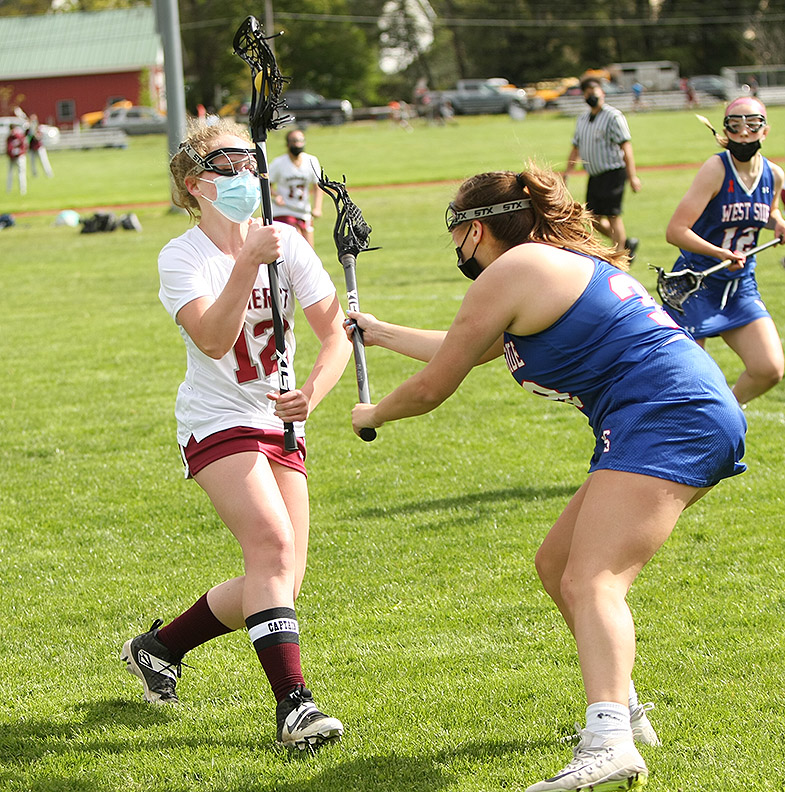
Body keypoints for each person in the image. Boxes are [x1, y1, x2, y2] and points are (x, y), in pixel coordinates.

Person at [347, 163, 747, 792]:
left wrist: (371, 413)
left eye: (455, 232)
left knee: (593, 579)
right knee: (556, 563)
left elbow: (432, 388)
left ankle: (610, 738)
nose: (456, 249)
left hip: (669, 415)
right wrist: (378, 333)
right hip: (671, 411)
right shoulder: (540, 268)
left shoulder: (513, 270)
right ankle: (622, 709)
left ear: (475, 230)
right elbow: (467, 347)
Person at [120, 118, 352, 752]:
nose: (249, 175)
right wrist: (246, 263)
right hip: (217, 419)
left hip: (280, 421)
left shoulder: (288, 242)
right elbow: (214, 338)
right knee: (272, 546)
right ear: (197, 184)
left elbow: (335, 335)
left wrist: (314, 394)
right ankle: (296, 709)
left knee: (280, 579)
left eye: (252, 164)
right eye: (232, 167)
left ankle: (159, 647)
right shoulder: (182, 255)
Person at [664, 96, 785, 405]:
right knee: (690, 383)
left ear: (764, 130)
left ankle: (726, 412)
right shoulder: (716, 168)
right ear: (726, 130)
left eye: (752, 124)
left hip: (741, 285)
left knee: (768, 368)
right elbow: (676, 231)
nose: (744, 132)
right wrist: (721, 254)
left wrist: (779, 223)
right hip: (696, 284)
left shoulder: (774, 175)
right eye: (735, 125)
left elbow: (764, 213)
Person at [564, 77, 641, 262]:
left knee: (613, 215)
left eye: (595, 93)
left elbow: (626, 147)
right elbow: (575, 148)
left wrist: (633, 177)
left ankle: (619, 258)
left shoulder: (613, 117)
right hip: (595, 174)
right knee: (592, 217)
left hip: (613, 172)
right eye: (588, 93)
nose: (592, 97)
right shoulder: (582, 119)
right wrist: (567, 173)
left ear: (603, 93)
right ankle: (626, 243)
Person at [269, 128, 323, 248]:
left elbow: (317, 185)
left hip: (304, 211)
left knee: (309, 250)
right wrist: (276, 195)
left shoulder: (311, 161)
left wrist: (317, 207)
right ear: (288, 144)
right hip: (284, 210)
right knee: (297, 242)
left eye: (300, 140)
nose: (298, 144)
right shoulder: (279, 163)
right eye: (294, 141)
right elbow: (266, 184)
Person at [27, 114, 53, 179]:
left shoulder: (38, 128)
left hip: (39, 147)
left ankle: (48, 173)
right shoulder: (28, 129)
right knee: (32, 163)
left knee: (44, 161)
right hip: (31, 148)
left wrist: (36, 135)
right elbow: (26, 138)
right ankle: (34, 175)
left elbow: (39, 137)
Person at [5, 122, 27, 195]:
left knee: (21, 173)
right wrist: (11, 153)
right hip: (12, 158)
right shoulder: (9, 138)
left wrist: (19, 152)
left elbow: (23, 146)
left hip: (20, 157)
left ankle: (23, 190)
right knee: (10, 174)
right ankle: (8, 190)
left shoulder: (20, 136)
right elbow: (8, 149)